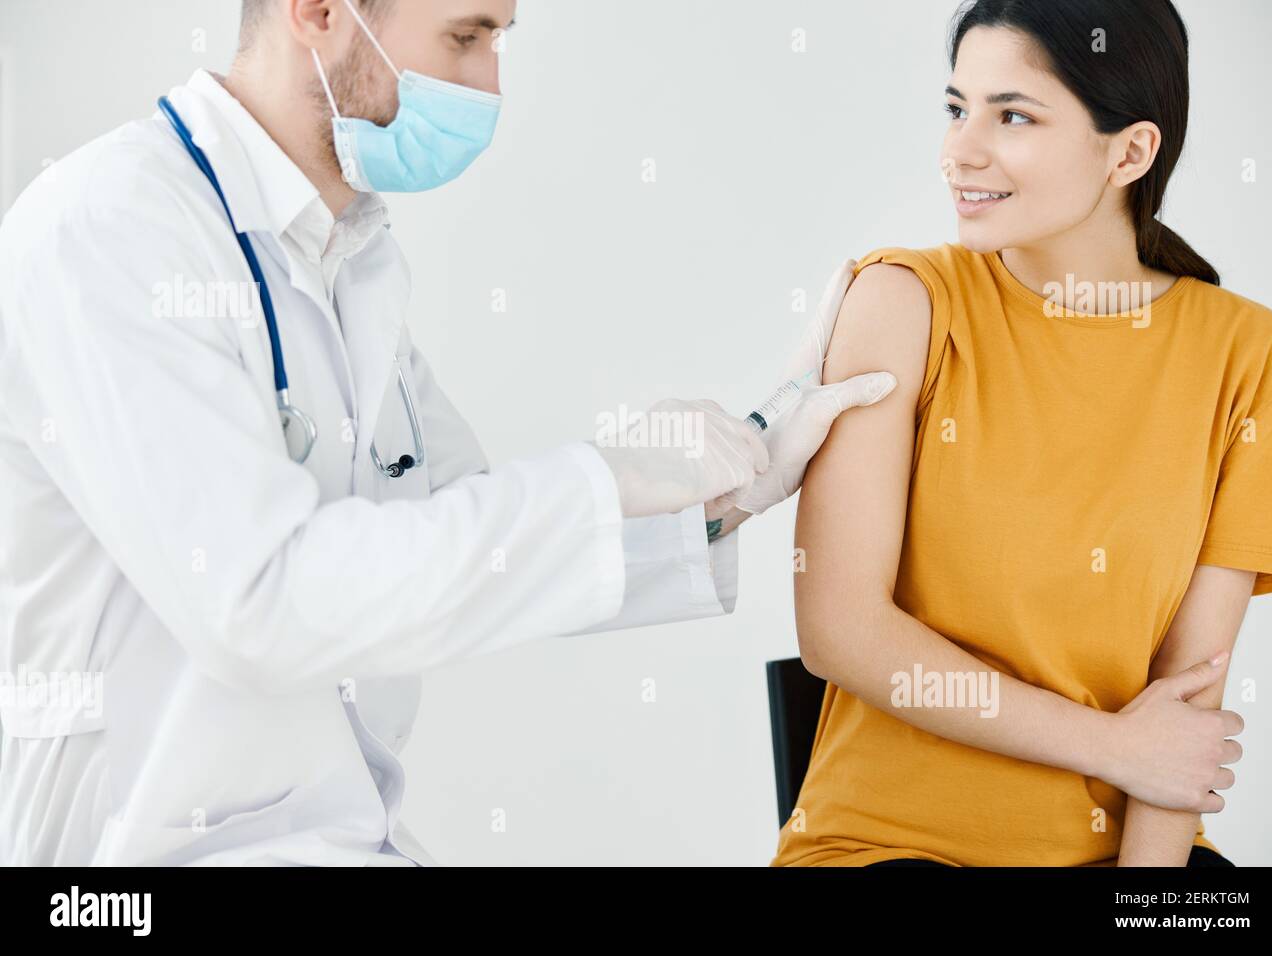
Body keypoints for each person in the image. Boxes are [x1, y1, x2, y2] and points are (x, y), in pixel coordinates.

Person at [0, 0, 897, 865]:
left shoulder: (349, 251)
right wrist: (609, 474)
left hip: (334, 837)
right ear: (317, 11)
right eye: (466, 37)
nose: (489, 87)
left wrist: (729, 489)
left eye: (498, 39)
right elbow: (259, 603)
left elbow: (468, 541)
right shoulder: (108, 228)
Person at [771, 0, 1272, 867]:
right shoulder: (901, 302)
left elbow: (1189, 698)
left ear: (1128, 151)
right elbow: (841, 629)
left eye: (1011, 114)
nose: (960, 152)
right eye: (956, 108)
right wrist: (1113, 748)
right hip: (886, 850)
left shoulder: (1249, 355)